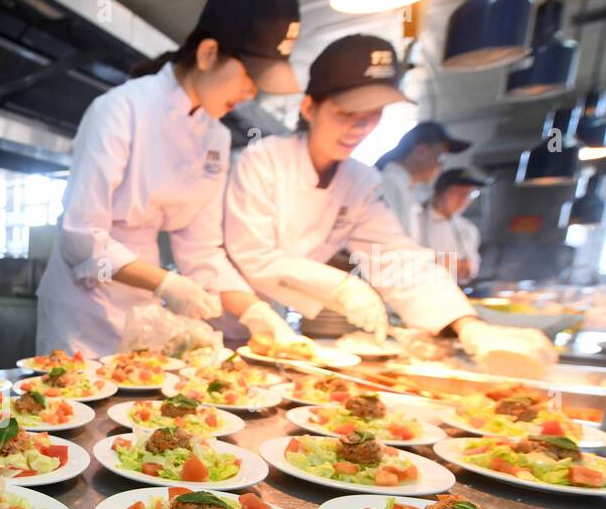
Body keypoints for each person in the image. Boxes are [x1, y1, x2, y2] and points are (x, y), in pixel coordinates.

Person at [223, 34, 555, 374]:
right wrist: (343, 287)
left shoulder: (361, 181)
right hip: (220, 311)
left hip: (271, 323)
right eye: (346, 112)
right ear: (309, 108)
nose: (359, 126)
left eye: (373, 114)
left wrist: (467, 324)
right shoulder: (262, 161)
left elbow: (397, 257)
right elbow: (255, 257)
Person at [35, 0, 303, 357]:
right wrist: (168, 285)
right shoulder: (120, 108)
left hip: (144, 315)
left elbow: (202, 250)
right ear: (208, 53)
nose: (250, 93)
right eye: (249, 76)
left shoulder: (217, 137)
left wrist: (255, 311)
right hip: (81, 314)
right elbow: (81, 238)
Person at [375, 121, 471, 235]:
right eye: (441, 157)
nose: (442, 165)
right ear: (421, 151)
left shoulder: (404, 186)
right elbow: (388, 242)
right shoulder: (389, 183)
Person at [418, 168, 489, 285]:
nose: (463, 200)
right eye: (458, 193)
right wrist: (445, 262)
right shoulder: (415, 220)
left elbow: (472, 267)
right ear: (439, 192)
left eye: (469, 194)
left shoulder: (468, 228)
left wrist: (466, 268)